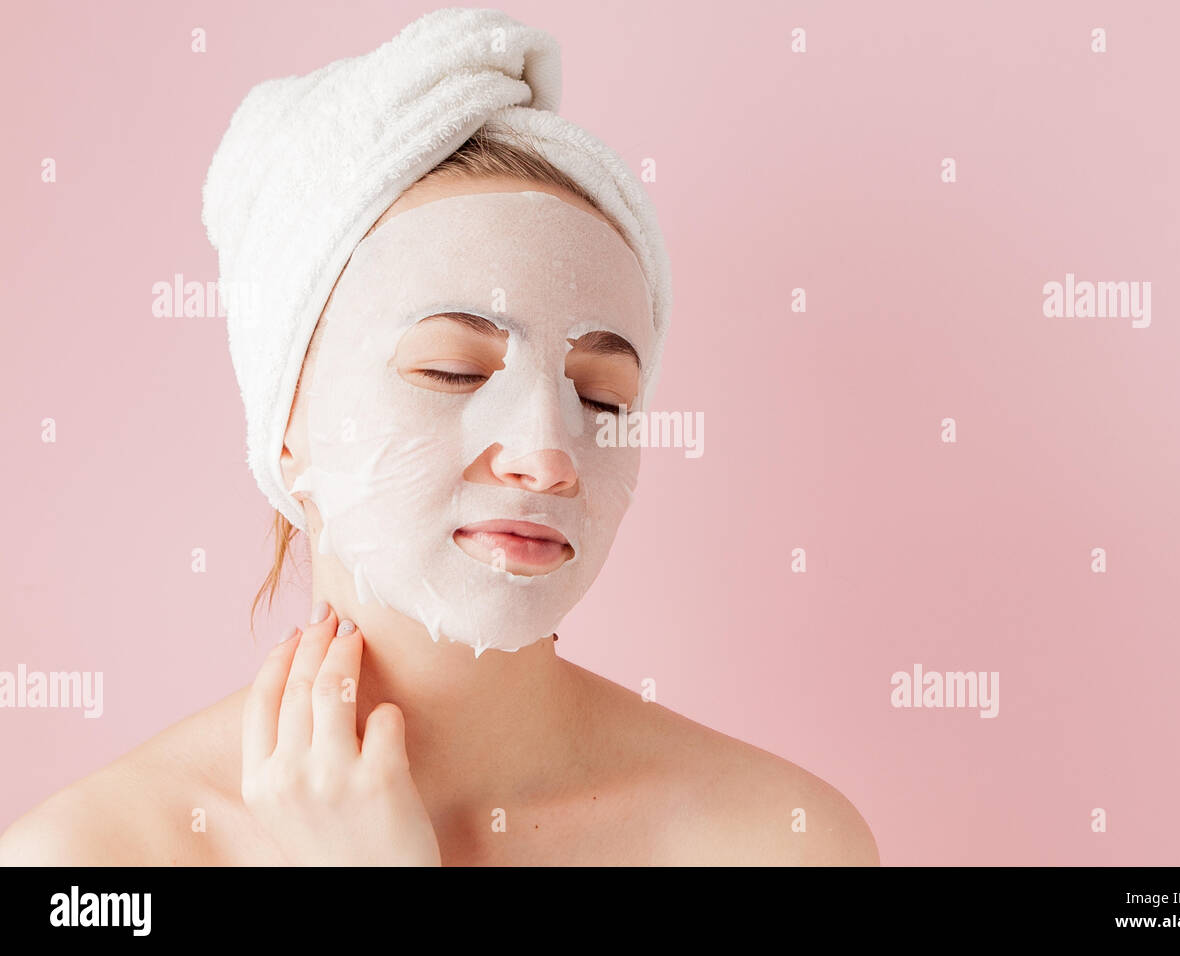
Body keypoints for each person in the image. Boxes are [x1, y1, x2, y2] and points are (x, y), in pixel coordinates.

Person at [0, 10, 878, 867]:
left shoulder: (780, 841)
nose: (547, 455)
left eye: (603, 399)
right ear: (286, 429)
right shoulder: (94, 862)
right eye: (454, 371)